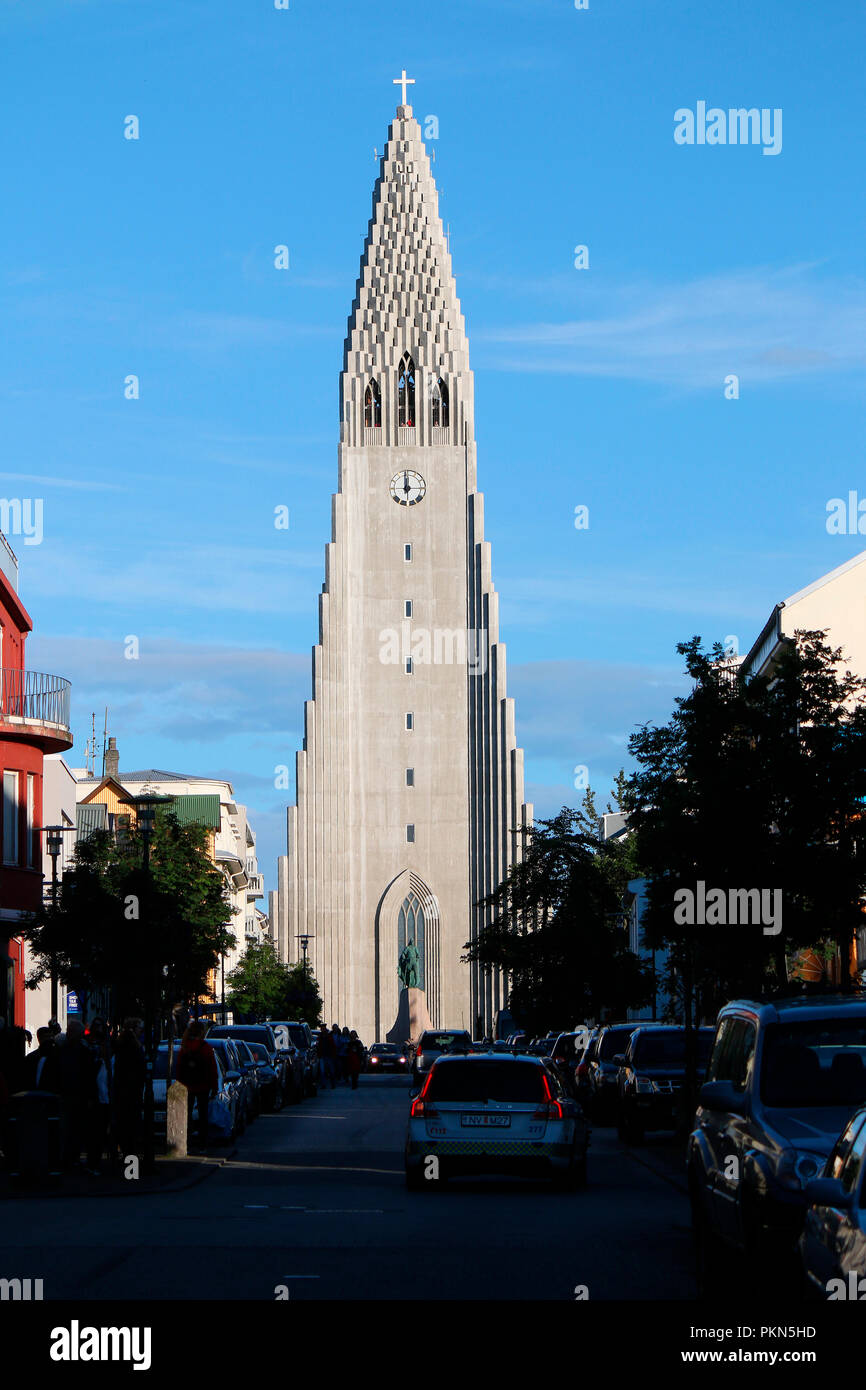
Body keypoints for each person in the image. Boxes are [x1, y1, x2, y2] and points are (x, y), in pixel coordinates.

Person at [39, 1019, 99, 1171]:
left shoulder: (62, 1052)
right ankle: (70, 1157)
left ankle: (69, 1157)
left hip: (72, 1096)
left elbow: (89, 1077)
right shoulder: (76, 1052)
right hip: (70, 1096)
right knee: (70, 1128)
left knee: (71, 1128)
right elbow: (89, 1077)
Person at [177, 1021, 218, 1152]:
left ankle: (186, 1144)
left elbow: (178, 1068)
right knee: (203, 1117)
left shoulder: (184, 1047)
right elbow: (212, 1069)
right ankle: (202, 1145)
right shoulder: (205, 1047)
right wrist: (214, 1086)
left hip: (187, 1085)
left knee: (186, 1116)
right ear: (202, 1032)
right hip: (203, 1085)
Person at [112, 1018, 146, 1163]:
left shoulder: (120, 1044)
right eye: (139, 1028)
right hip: (131, 1091)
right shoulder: (134, 1046)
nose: (141, 1031)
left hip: (122, 1091)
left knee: (124, 1125)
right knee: (132, 1127)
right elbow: (138, 1068)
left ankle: (127, 1158)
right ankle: (131, 1168)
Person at [316, 1025, 337, 1089]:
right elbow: (318, 1046)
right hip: (322, 1056)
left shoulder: (329, 1036)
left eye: (324, 1028)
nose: (323, 1030)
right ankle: (323, 1084)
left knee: (331, 1071)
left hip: (329, 1055)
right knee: (322, 1071)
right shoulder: (319, 1037)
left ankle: (332, 1084)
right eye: (322, 1028)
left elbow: (333, 1046)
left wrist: (333, 1054)